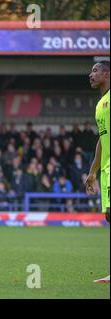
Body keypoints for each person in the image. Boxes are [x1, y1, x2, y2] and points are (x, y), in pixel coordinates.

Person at [85, 60, 110, 284]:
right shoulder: (101, 104)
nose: (90, 74)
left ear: (107, 74)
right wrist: (93, 172)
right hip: (107, 169)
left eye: (95, 71)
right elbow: (102, 140)